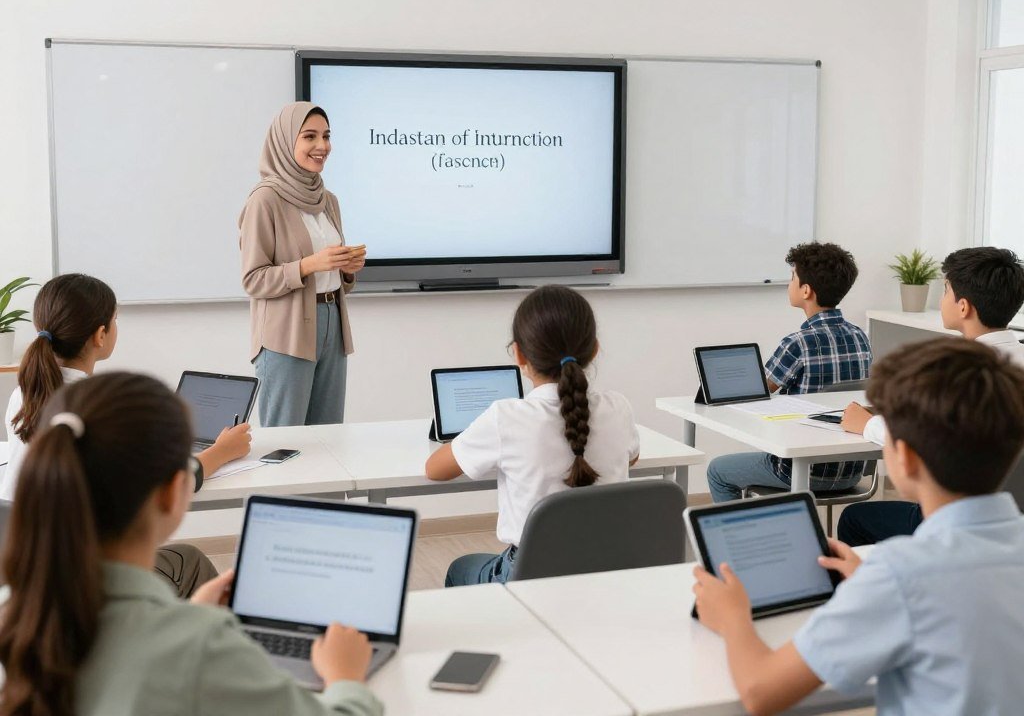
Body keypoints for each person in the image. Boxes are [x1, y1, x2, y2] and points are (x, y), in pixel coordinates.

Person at [0, 372, 381, 716]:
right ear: (171, 492)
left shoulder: (12, 610)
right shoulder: (199, 649)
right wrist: (346, 678)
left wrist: (191, 617)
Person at [693, 337, 1024, 716]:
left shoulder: (901, 574)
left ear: (905, 457)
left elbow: (760, 692)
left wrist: (733, 617)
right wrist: (872, 581)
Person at [3, 273, 251, 596]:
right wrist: (221, 451)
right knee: (190, 560)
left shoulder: (23, 394)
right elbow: (165, 482)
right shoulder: (101, 405)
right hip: (88, 580)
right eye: (115, 320)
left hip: (23, 566)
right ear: (101, 335)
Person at [425, 285, 640, 586]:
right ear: (594, 349)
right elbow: (632, 457)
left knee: (461, 567)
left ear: (519, 354)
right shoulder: (619, 407)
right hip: (608, 570)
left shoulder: (506, 417)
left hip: (530, 575)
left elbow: (435, 470)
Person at [836, 246, 1024, 545]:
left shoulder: (963, 371)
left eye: (946, 290)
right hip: (1012, 519)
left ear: (963, 307)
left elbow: (928, 442)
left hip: (959, 521)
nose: (942, 298)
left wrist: (866, 424)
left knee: (854, 518)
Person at [706, 242, 872, 502]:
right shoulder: (859, 336)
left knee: (718, 470)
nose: (788, 283)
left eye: (792, 277)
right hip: (852, 471)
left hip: (800, 470)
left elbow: (757, 389)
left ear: (806, 290)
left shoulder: (798, 342)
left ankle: (741, 541)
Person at [239, 102, 366, 427]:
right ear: (285, 142)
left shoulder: (328, 200)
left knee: (328, 436)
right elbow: (253, 279)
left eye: (326, 136)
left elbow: (330, 273)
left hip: (332, 324)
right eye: (309, 136)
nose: (322, 146)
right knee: (285, 437)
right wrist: (308, 265)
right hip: (287, 330)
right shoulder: (265, 200)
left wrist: (346, 268)